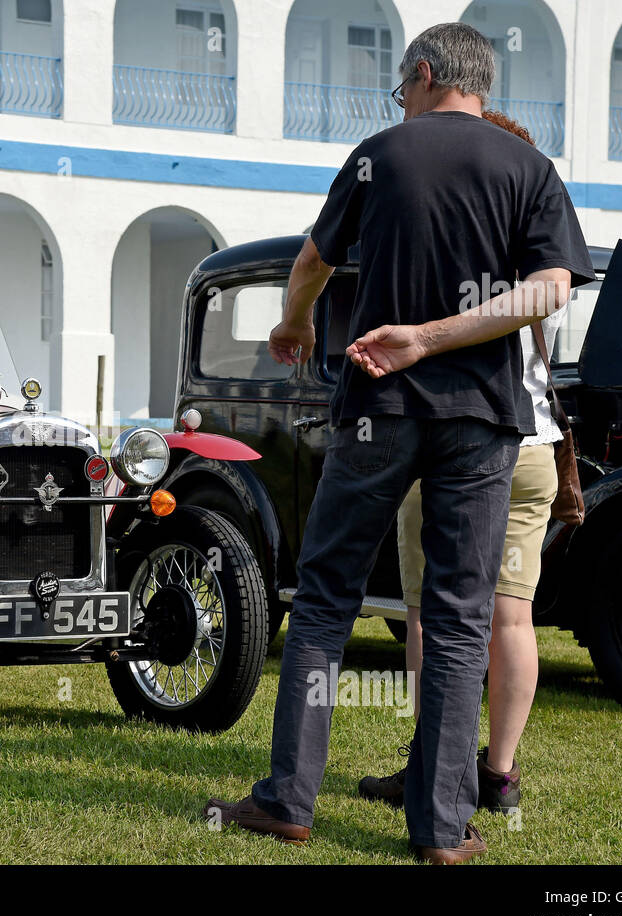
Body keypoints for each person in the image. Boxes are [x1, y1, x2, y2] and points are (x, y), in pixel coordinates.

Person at [204, 23, 595, 864]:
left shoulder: (379, 154)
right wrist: (444, 335)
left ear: (422, 75)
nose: (403, 102)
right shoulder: (530, 169)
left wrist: (294, 321)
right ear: (480, 85)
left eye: (402, 87)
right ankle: (443, 830)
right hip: (484, 421)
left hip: (378, 411)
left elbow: (312, 260)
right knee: (460, 620)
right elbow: (550, 289)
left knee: (322, 604)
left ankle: (287, 799)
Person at [358, 111, 567, 815]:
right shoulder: (543, 251)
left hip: (460, 439)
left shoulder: (458, 246)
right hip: (535, 445)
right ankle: (499, 777)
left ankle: (433, 771)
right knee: (512, 618)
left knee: (429, 614)